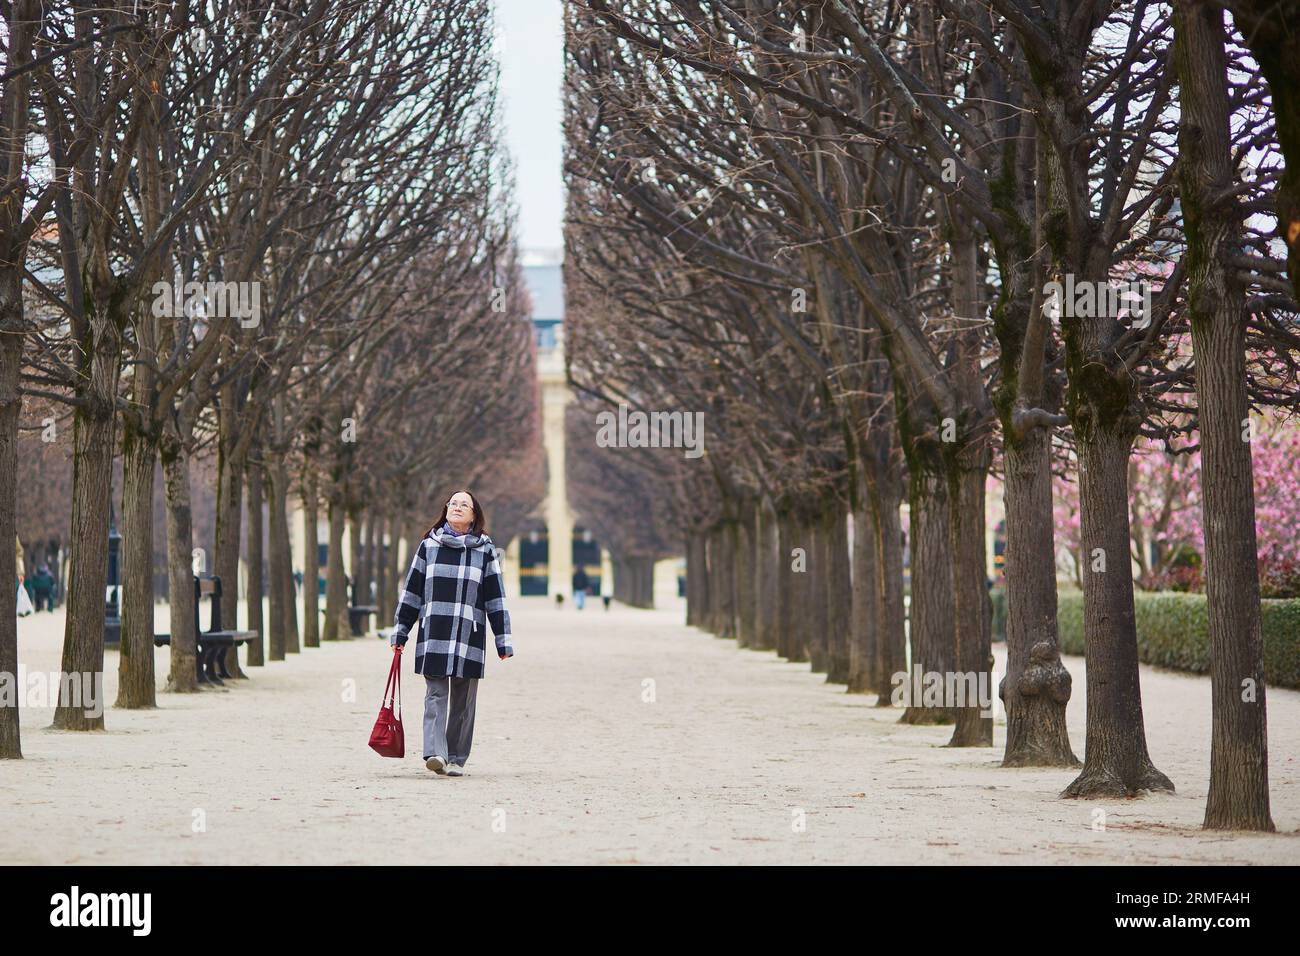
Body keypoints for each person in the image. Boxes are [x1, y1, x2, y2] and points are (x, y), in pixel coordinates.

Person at [389, 490, 513, 777]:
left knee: (463, 700)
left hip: (469, 635)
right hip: (434, 632)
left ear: (473, 515)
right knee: (435, 694)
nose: (457, 507)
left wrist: (502, 640)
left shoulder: (485, 550)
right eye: (453, 503)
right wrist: (401, 631)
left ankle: (456, 757)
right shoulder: (428, 547)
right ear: (445, 509)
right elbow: (412, 592)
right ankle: (435, 753)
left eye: (464, 505)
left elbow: (496, 597)